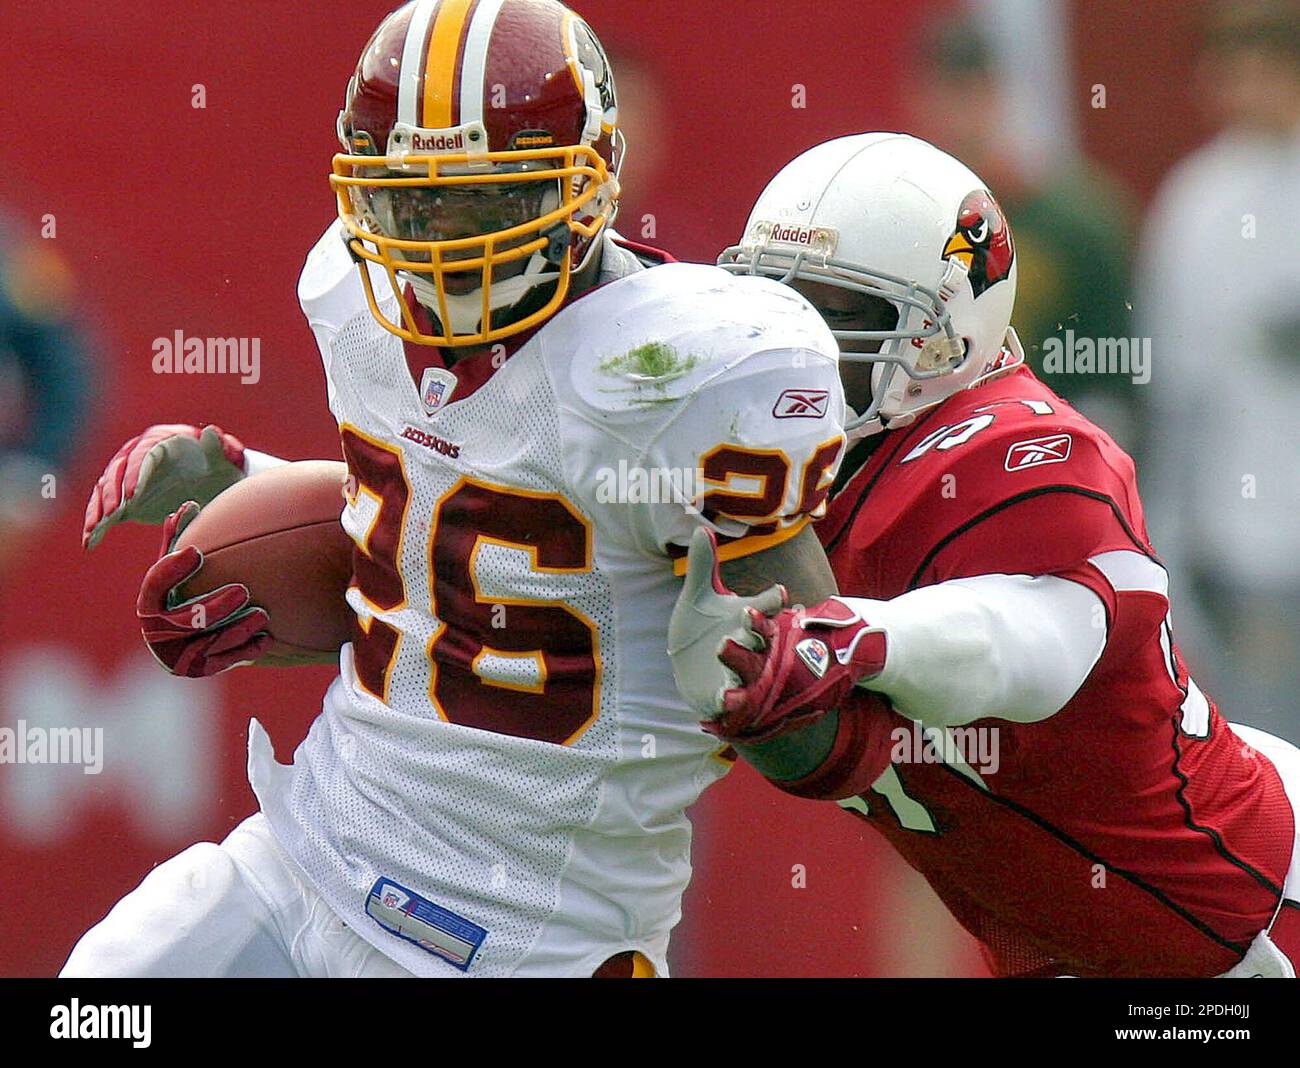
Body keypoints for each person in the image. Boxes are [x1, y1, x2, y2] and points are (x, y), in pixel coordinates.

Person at [67, 0, 849, 978]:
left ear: (590, 177)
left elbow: (830, 700)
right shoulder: (354, 303)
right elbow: (434, 517)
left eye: (486, 202)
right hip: (311, 852)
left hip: (532, 946)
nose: (443, 243)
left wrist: (787, 690)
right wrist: (244, 484)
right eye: (414, 203)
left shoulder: (682, 373)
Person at [670, 132, 1300, 978]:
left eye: (841, 314)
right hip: (1078, 944)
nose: (801, 342)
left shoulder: (1015, 451)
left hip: (1251, 919)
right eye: (778, 301)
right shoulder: (783, 479)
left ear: (942, 331)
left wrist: (859, 640)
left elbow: (1034, 642)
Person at [1138, 0, 1300, 745]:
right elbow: (1174, 394)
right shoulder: (1198, 202)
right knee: (1273, 758)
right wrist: (1167, 546)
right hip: (1248, 549)